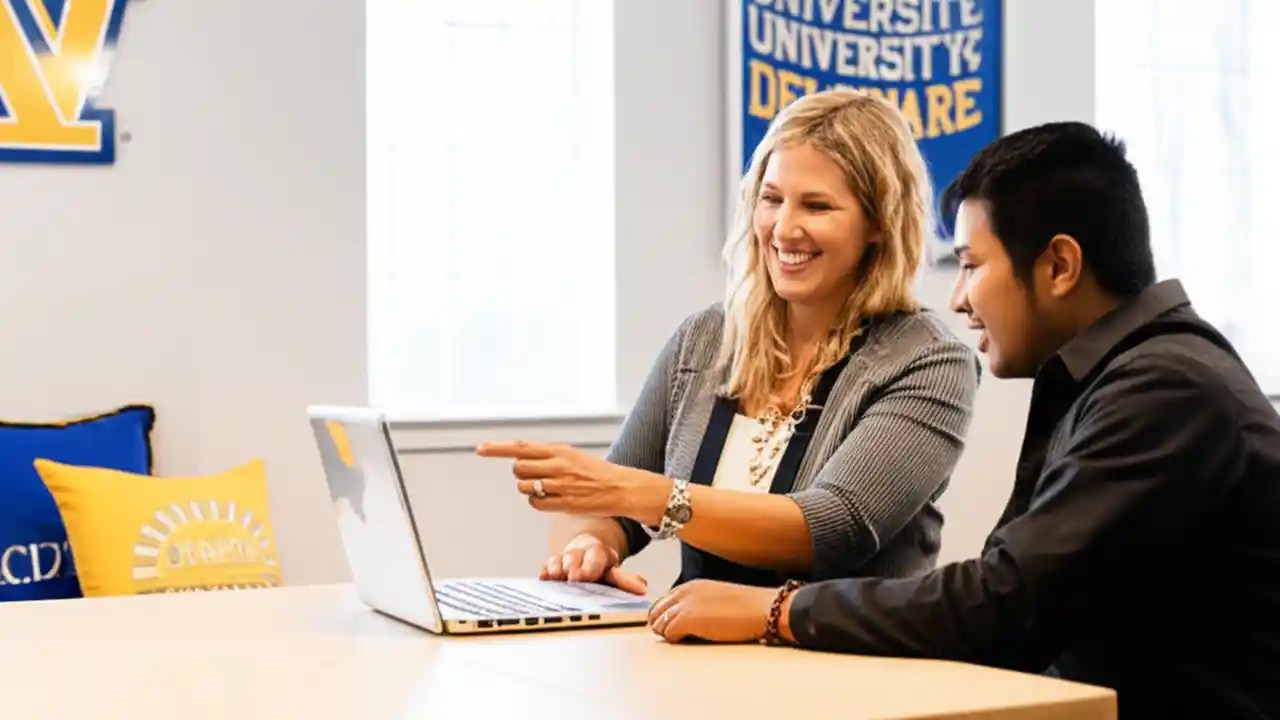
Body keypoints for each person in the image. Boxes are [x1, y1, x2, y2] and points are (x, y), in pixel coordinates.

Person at [646, 121, 1280, 719]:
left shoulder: (1163, 389)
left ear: (1059, 267)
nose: (958, 298)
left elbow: (1001, 604)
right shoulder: (1126, 377)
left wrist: (776, 610)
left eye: (972, 265)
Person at [476, 89, 980, 596]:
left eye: (817, 205)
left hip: (845, 662)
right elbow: (609, 506)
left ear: (879, 223)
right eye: (772, 198)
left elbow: (830, 529)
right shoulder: (703, 340)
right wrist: (591, 543)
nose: (784, 229)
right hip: (693, 653)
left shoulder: (929, 361)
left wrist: (642, 493)